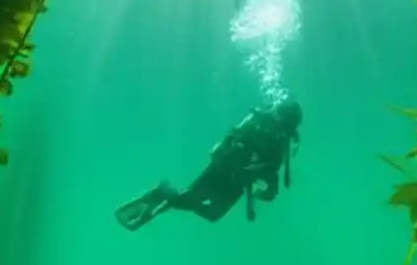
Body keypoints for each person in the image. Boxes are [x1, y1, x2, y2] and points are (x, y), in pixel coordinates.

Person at [115, 99, 302, 231]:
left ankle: (161, 197)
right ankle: (162, 194)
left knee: (210, 213)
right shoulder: (276, 140)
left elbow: (270, 174)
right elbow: (271, 177)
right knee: (197, 203)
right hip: (226, 170)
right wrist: (262, 192)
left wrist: (263, 191)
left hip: (230, 173)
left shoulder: (276, 139)